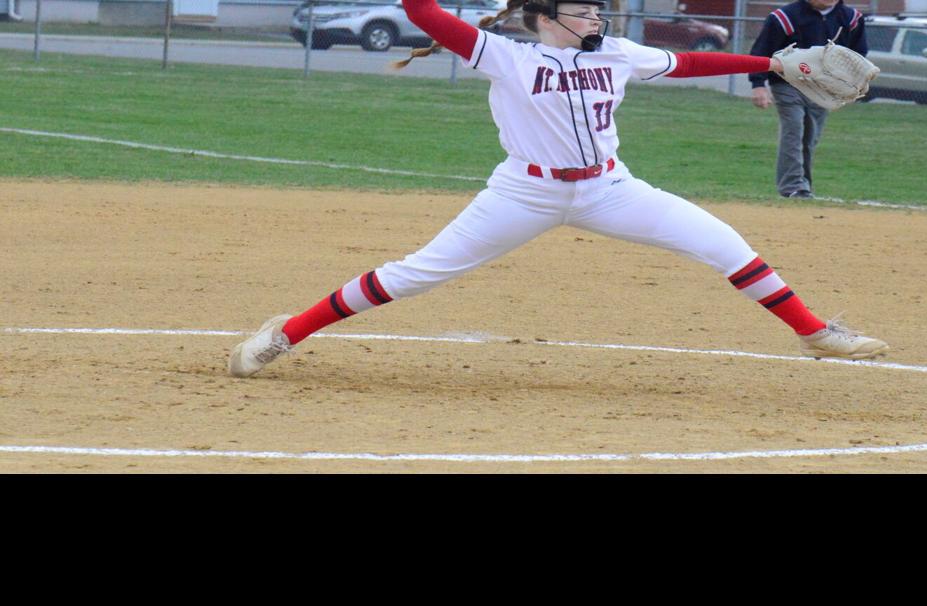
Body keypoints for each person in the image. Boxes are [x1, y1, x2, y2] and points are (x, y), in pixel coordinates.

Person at [229, 0, 886, 379]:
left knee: (723, 244)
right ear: (545, 18)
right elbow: (422, 12)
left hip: (610, 189)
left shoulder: (616, 52)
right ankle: (286, 333)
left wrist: (768, 62)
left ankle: (814, 332)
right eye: (581, 8)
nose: (595, 14)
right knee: (416, 273)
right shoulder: (505, 54)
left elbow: (687, 62)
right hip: (523, 194)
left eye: (597, 7)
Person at [747, 0, 867, 199]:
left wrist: (851, 84)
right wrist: (758, 84)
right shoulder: (785, 17)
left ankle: (803, 187)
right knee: (794, 130)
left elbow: (858, 54)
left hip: (822, 87)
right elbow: (762, 52)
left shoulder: (850, 19)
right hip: (787, 83)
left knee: (810, 137)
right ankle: (793, 186)